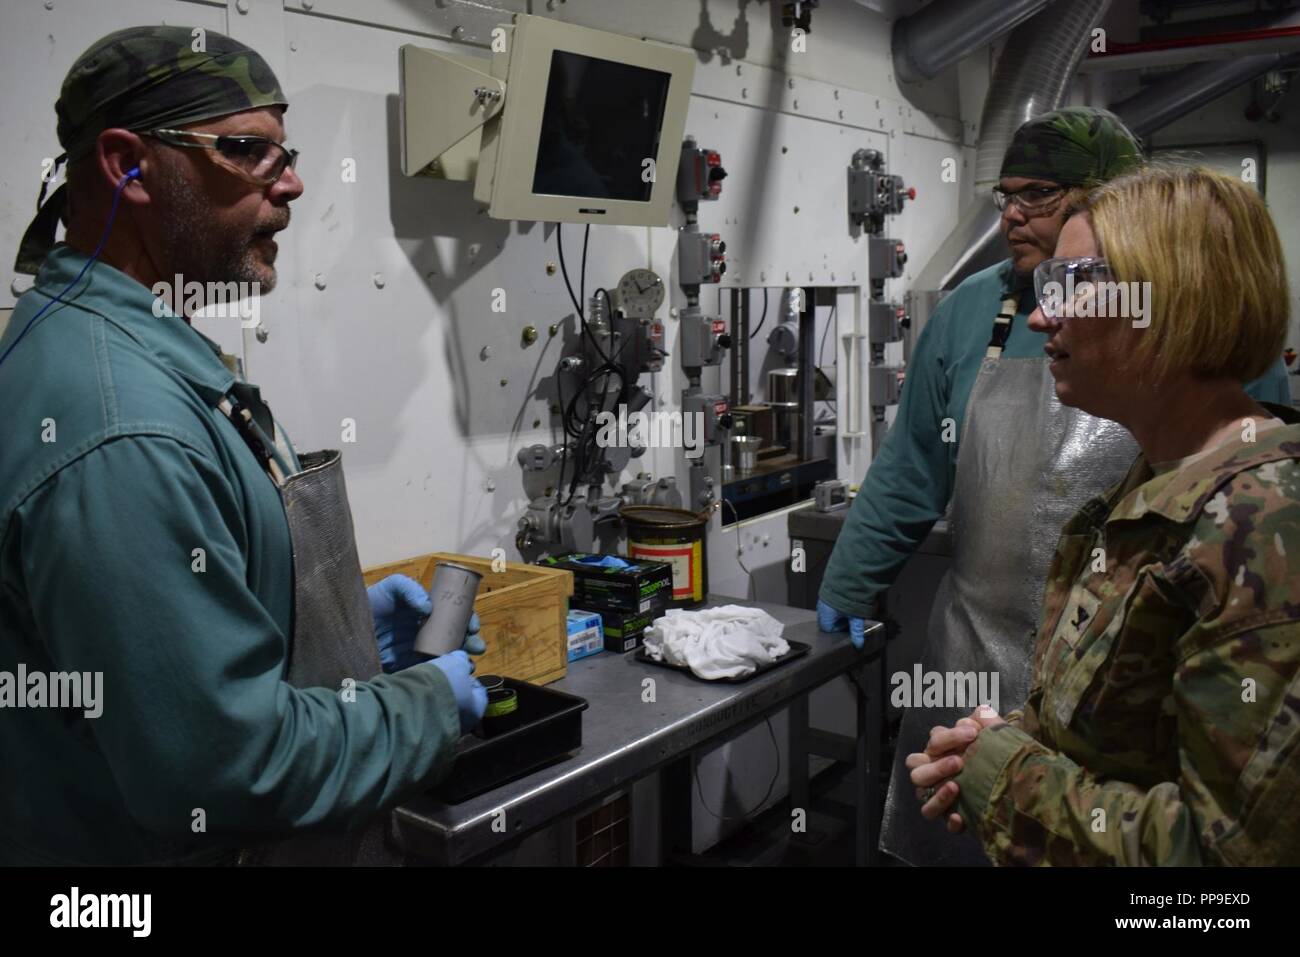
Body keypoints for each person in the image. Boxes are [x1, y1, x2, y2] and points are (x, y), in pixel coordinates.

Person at [0, 26, 485, 866]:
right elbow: (222, 768)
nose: (291, 183)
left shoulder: (115, 345)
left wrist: (311, 626)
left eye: (285, 152)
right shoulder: (122, 428)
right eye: (248, 152)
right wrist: (424, 706)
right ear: (126, 166)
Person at [816, 108, 1292, 866]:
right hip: (984, 663)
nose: (1044, 316)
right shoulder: (980, 315)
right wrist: (850, 581)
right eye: (1004, 194)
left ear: (1164, 302)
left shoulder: (1255, 517)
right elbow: (911, 467)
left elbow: (1221, 859)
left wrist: (1005, 771)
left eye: (1038, 194)